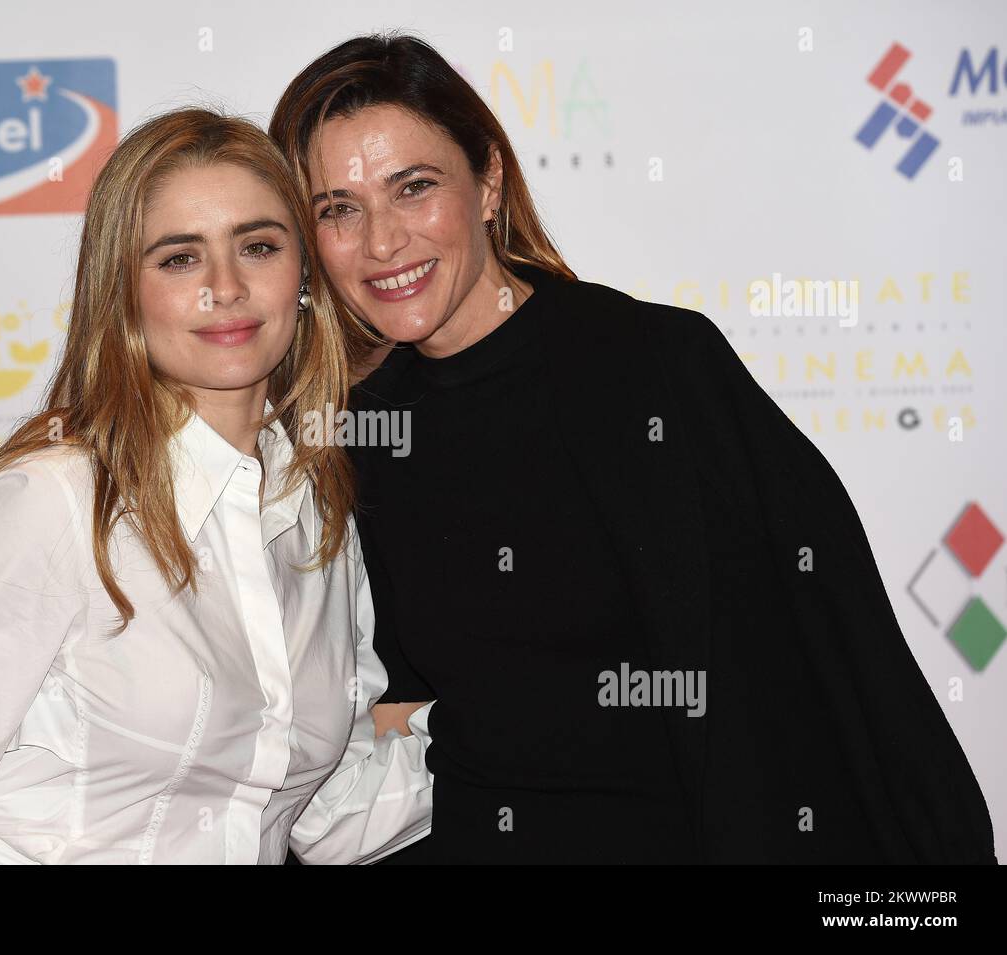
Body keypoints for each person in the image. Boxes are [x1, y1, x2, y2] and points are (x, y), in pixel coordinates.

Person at [268, 32, 997, 864]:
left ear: (489, 183)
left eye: (414, 188)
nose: (383, 242)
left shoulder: (653, 366)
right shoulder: (349, 436)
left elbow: (837, 647)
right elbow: (369, 715)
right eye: (339, 209)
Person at [0, 108, 432, 865]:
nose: (225, 287)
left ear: (304, 277)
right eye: (179, 259)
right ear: (122, 292)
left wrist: (530, 711)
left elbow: (326, 810)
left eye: (258, 246)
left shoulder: (315, 512)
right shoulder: (54, 504)